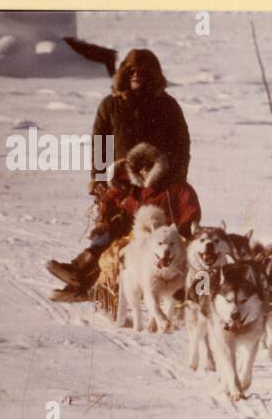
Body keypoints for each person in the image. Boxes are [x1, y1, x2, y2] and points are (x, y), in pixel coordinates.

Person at [46, 48, 201, 302]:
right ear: (124, 73)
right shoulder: (111, 105)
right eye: (132, 70)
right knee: (113, 228)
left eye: (144, 71)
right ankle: (81, 275)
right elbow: (101, 144)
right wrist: (98, 178)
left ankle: (84, 282)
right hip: (120, 181)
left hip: (159, 184)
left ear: (154, 75)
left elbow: (181, 146)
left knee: (149, 238)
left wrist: (174, 177)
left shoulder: (167, 106)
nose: (137, 75)